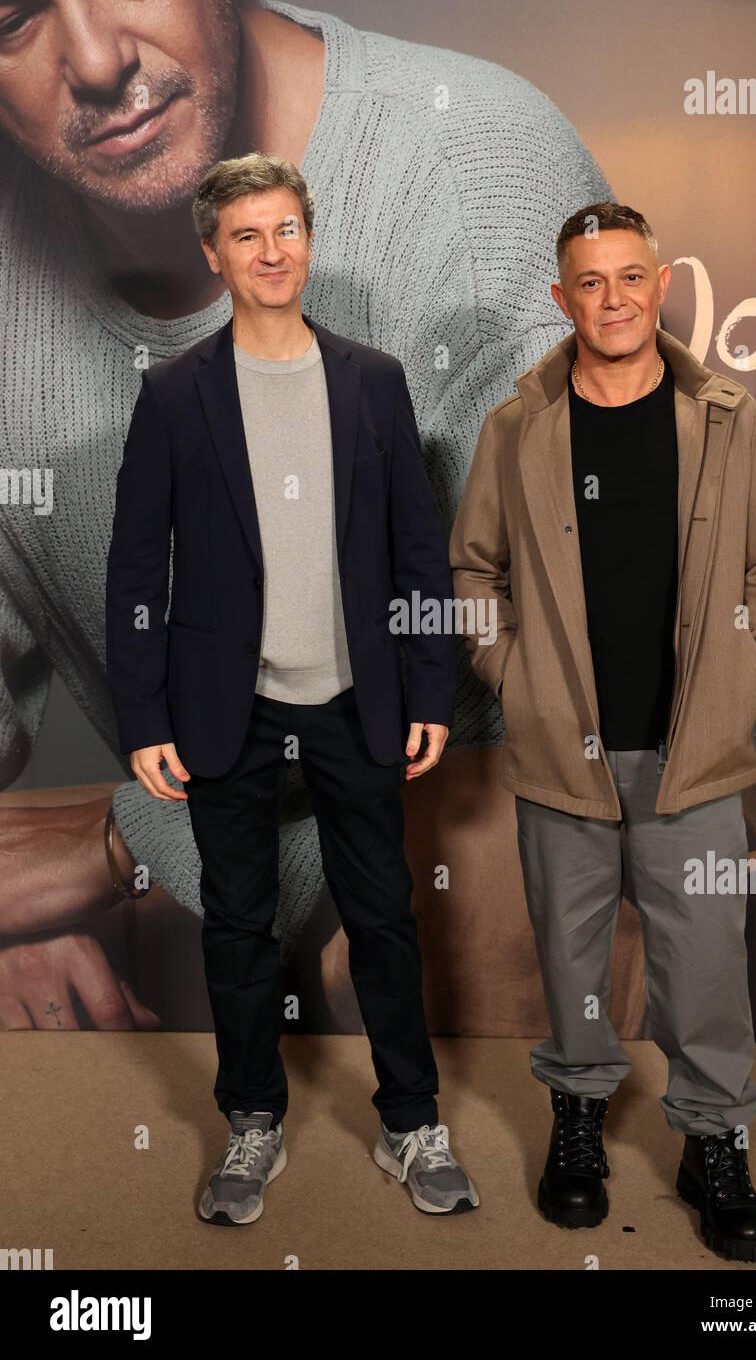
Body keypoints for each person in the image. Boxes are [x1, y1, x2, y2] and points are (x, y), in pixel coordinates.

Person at [0, 0, 619, 1024]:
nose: (99, 62)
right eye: (11, 16)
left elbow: (590, 701)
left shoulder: (472, 164)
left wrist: (123, 849)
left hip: (636, 871)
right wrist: (21, 923)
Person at [106, 152, 478, 1223]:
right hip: (224, 701)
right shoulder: (176, 396)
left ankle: (411, 1119)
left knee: (384, 916)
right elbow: (136, 569)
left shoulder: (374, 380)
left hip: (358, 696)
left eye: (287, 231)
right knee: (240, 922)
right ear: (214, 254)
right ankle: (252, 1122)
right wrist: (142, 716)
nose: (272, 253)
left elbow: (419, 551)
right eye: (248, 236)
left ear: (308, 240)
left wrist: (428, 692)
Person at [449, 202, 756, 1262]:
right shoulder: (517, 426)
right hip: (566, 746)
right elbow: (474, 573)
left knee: (703, 965)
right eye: (589, 284)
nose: (612, 300)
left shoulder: (728, 418)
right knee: (569, 954)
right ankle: (577, 1121)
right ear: (562, 299)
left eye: (629, 278)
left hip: (694, 748)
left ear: (659, 284)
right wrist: (509, 673)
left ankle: (711, 1142)